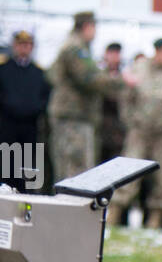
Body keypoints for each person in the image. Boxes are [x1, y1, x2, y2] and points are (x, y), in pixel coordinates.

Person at [110, 38, 162, 228]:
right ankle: (114, 215)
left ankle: (155, 220)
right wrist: (130, 120)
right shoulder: (139, 69)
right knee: (128, 171)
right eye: (160, 51)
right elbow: (126, 97)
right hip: (140, 131)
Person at [48, 10, 119, 181]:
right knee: (75, 172)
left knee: (77, 170)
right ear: (87, 27)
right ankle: (70, 208)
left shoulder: (78, 47)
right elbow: (89, 78)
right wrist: (120, 81)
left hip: (76, 118)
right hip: (73, 119)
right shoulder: (75, 48)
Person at [0, 30, 50, 194]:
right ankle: (4, 193)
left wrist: (35, 109)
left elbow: (44, 96)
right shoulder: (2, 68)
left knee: (27, 163)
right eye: (20, 45)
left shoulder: (38, 71)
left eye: (27, 45)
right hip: (8, 122)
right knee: (6, 161)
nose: (24, 48)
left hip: (30, 124)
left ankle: (25, 195)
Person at [99, 42, 126, 163]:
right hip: (100, 127)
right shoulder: (98, 76)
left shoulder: (124, 77)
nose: (115, 58)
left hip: (118, 130)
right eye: (112, 54)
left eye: (117, 54)